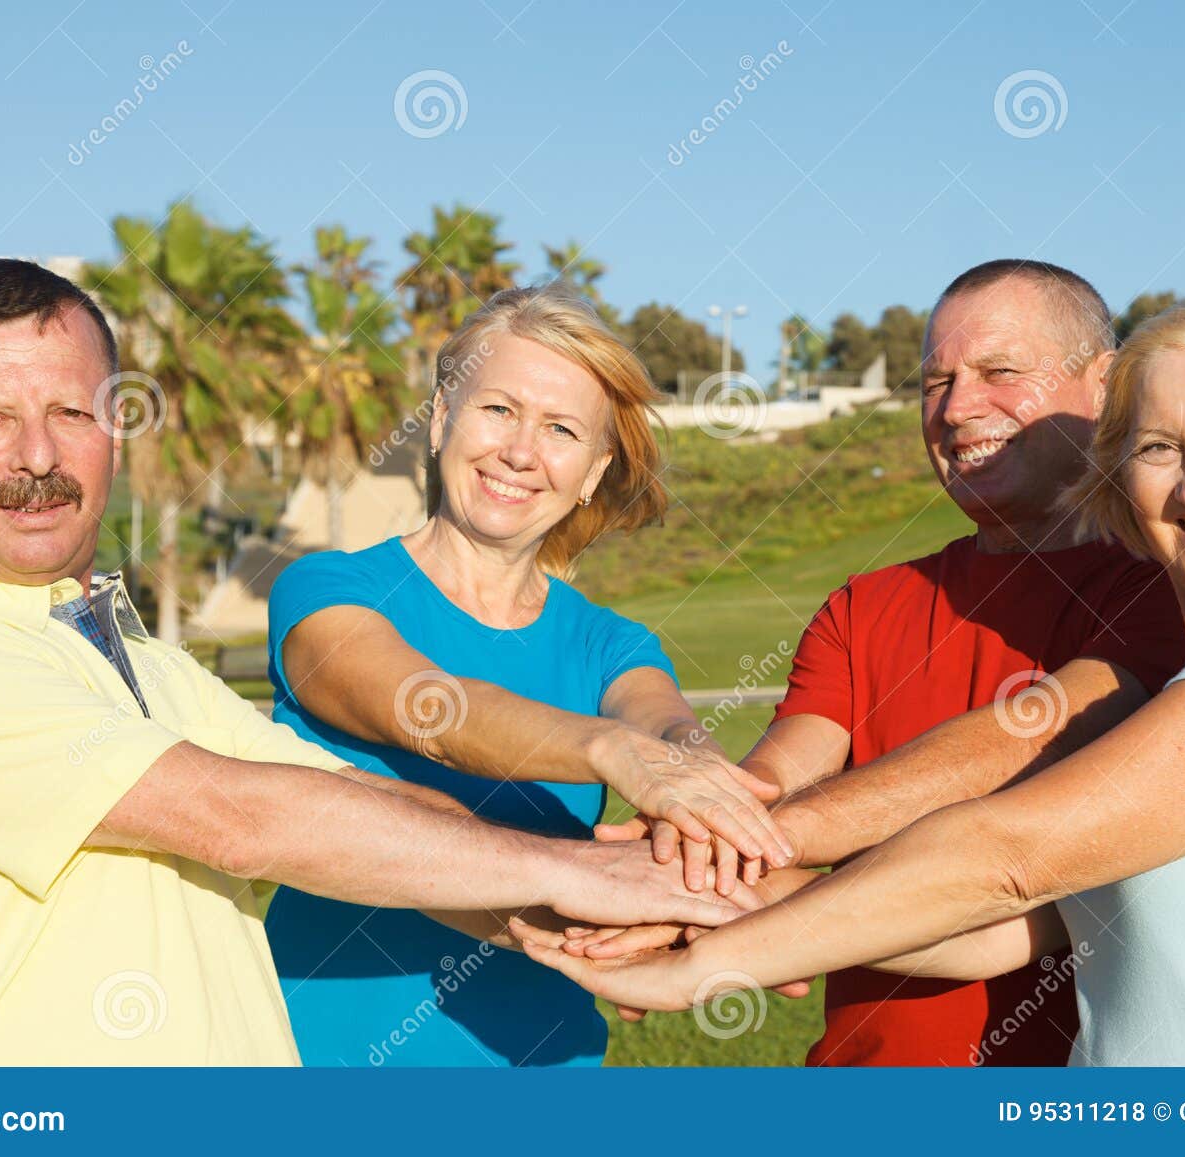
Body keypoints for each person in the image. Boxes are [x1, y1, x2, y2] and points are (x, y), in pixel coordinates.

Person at [0, 259, 753, 1066]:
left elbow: (360, 800)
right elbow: (240, 817)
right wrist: (585, 857)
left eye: (72, 411)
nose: (40, 455)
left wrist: (576, 923)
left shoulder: (146, 663)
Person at [518, 288, 1185, 1065]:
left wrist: (698, 967)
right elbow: (1000, 926)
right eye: (1160, 446)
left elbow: (1007, 855)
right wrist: (724, 905)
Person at [590, 259, 1185, 1065]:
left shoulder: (1171, 592)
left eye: (999, 371)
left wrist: (716, 866)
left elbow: (1012, 740)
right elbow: (778, 779)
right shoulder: (863, 606)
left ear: (1106, 384)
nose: (957, 407)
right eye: (934, 381)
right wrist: (688, 845)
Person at [263, 284, 791, 1067]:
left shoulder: (611, 642)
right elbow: (432, 713)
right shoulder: (325, 592)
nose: (520, 451)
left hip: (546, 1069)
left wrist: (699, 796)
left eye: (561, 430)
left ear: (593, 470)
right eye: (498, 410)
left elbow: (666, 724)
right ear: (442, 418)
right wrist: (613, 752)